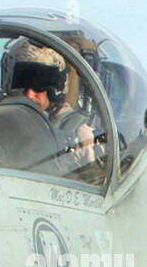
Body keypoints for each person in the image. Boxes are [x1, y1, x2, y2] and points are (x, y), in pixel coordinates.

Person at [8, 39, 98, 170]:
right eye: (20, 84)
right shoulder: (3, 120)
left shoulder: (78, 133)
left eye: (39, 85)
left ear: (55, 89)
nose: (29, 95)